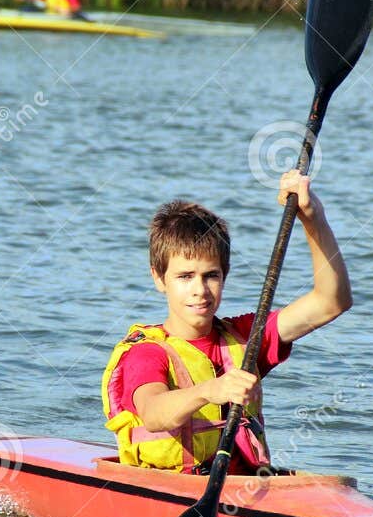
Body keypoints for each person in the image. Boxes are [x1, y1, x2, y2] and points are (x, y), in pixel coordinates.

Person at [101, 174, 352, 474]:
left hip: (247, 487)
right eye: (185, 277)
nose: (200, 290)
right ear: (158, 278)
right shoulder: (147, 353)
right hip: (176, 487)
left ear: (225, 275)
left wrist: (313, 218)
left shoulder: (246, 337)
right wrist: (211, 391)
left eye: (211, 275)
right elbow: (154, 414)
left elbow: (332, 301)